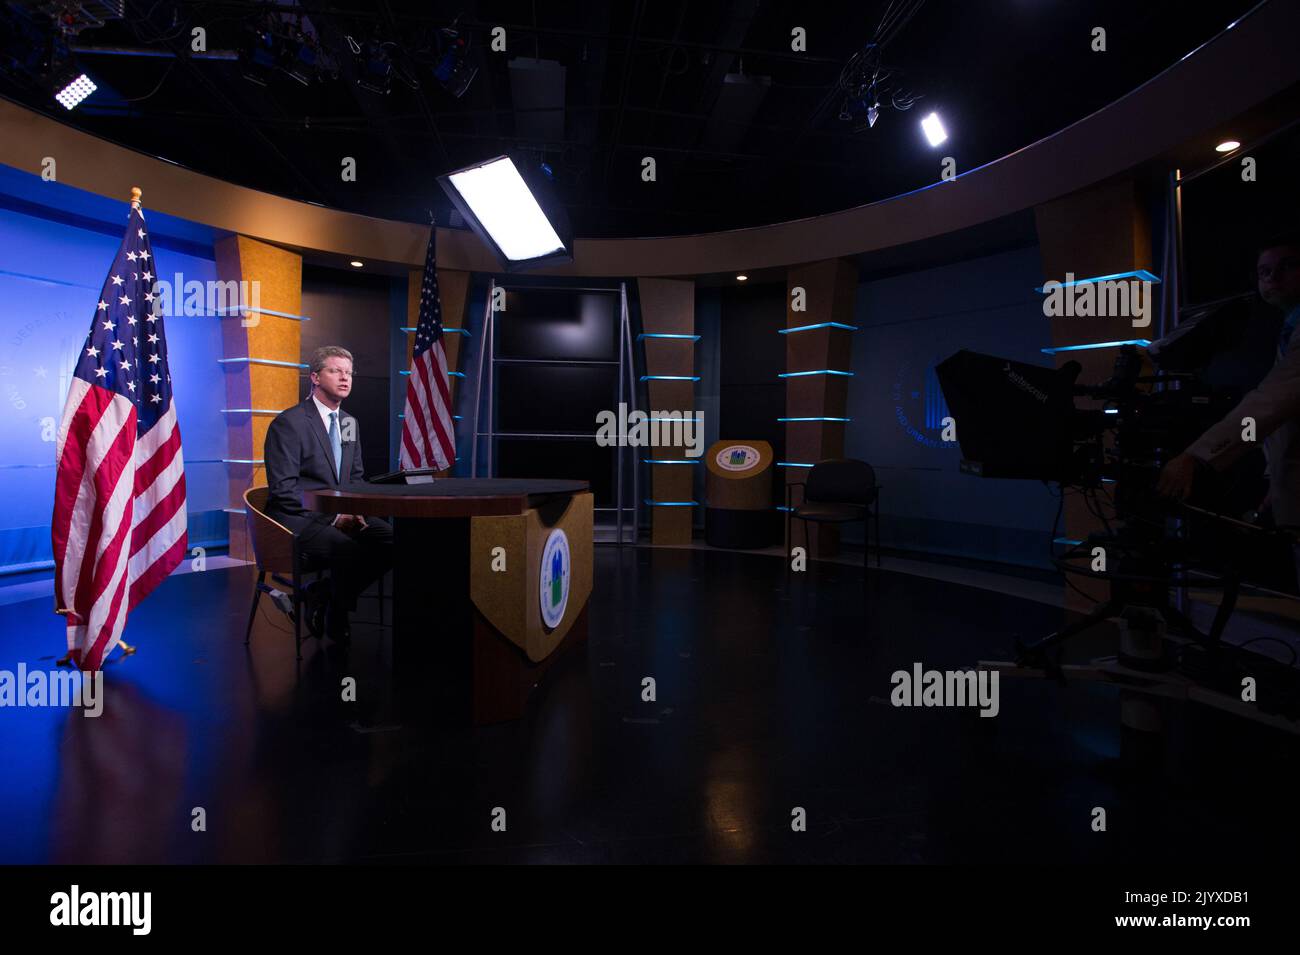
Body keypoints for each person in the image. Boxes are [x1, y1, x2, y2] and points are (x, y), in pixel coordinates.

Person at [1158, 235, 1300, 534]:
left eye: (1286, 266)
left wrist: (1195, 456)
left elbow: (1270, 402)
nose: (1273, 277)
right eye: (1264, 271)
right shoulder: (1289, 329)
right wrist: (1279, 485)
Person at [263, 345, 392, 644]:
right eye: (336, 371)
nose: (345, 378)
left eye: (348, 372)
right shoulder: (289, 423)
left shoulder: (349, 423)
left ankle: (323, 594)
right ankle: (338, 614)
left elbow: (355, 478)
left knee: (389, 540)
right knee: (348, 549)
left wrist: (357, 510)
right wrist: (335, 517)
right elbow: (283, 490)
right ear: (315, 377)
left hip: (338, 513)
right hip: (296, 518)